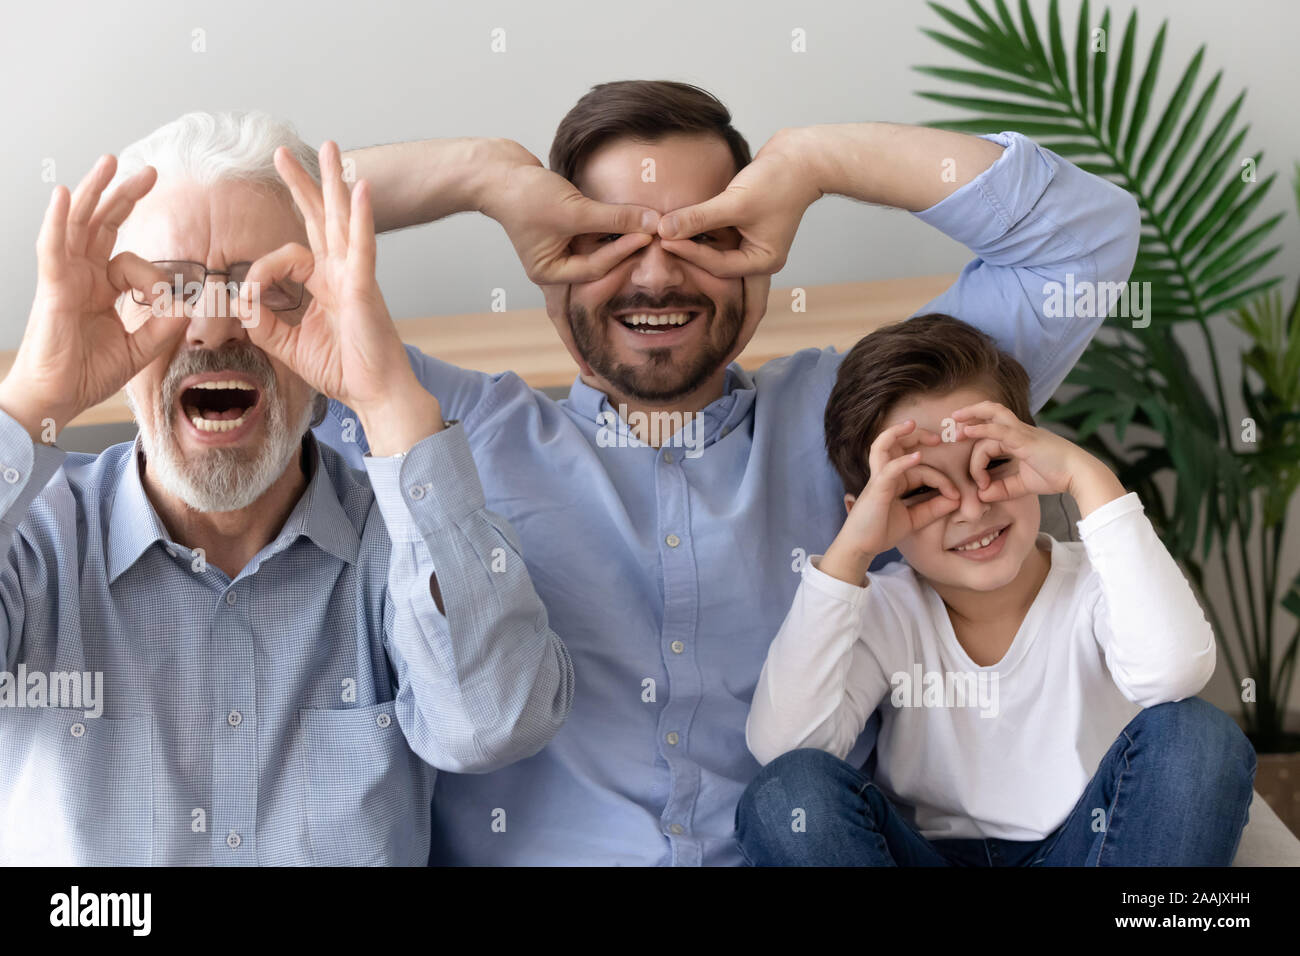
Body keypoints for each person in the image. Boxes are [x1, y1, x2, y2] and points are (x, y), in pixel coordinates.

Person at [315, 80, 1142, 865]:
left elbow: (1084, 239)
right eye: (606, 240)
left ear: (761, 251)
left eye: (705, 235)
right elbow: (244, 269)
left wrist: (814, 162)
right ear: (547, 259)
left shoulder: (863, 415)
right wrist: (483, 175)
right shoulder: (435, 425)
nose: (656, 274)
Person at [0, 111, 572, 865]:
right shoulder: (37, 544)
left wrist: (389, 400)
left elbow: (495, 722)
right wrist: (34, 402)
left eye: (259, 286)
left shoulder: (401, 547)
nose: (211, 328)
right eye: (170, 289)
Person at [737, 314, 1256, 866]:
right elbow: (786, 748)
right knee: (786, 794)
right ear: (872, 512)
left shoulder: (1099, 580)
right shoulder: (884, 612)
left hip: (1093, 849)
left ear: (1036, 452)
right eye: (921, 492)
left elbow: (1175, 671)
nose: (972, 506)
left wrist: (1087, 475)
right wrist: (852, 551)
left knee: (1197, 736)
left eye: (996, 463)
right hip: (933, 857)